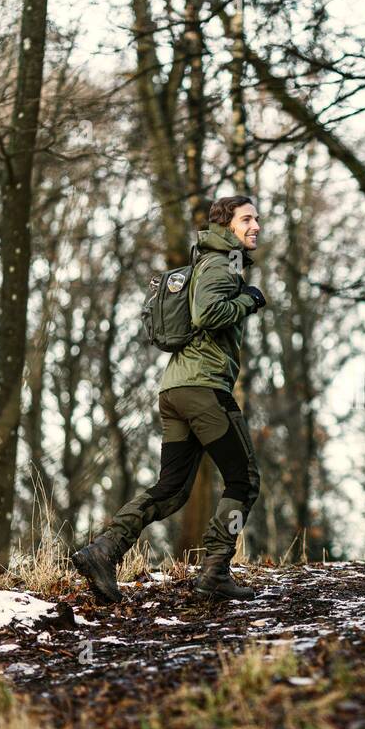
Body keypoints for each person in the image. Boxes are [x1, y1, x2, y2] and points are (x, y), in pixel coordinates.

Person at [71, 195, 266, 603]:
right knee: (243, 481)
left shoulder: (207, 261)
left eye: (257, 219)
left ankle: (104, 551)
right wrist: (250, 299)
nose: (256, 226)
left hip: (175, 390)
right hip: (204, 388)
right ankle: (214, 573)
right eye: (247, 219)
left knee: (173, 488)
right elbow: (207, 315)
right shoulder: (220, 262)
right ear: (226, 225)